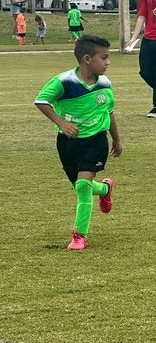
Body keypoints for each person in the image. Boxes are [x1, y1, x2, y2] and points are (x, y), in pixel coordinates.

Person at [34, 34, 121, 251]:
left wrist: (117, 139)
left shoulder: (105, 84)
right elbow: (41, 101)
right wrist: (61, 123)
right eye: (104, 57)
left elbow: (109, 112)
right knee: (81, 187)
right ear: (87, 59)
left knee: (82, 187)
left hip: (96, 141)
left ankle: (79, 236)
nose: (108, 62)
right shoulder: (64, 82)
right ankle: (103, 190)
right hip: (68, 143)